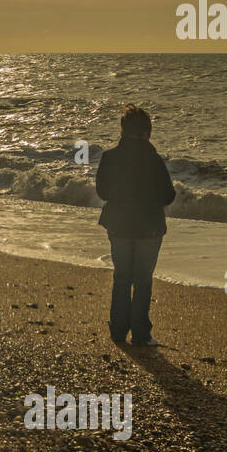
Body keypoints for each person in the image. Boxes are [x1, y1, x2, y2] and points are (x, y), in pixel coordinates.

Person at [95, 104, 176, 346]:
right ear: (147, 132)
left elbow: (102, 192)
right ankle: (141, 334)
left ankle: (118, 330)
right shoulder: (153, 159)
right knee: (142, 280)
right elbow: (168, 195)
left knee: (121, 277)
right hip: (148, 225)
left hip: (119, 224)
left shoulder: (110, 157)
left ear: (122, 131)